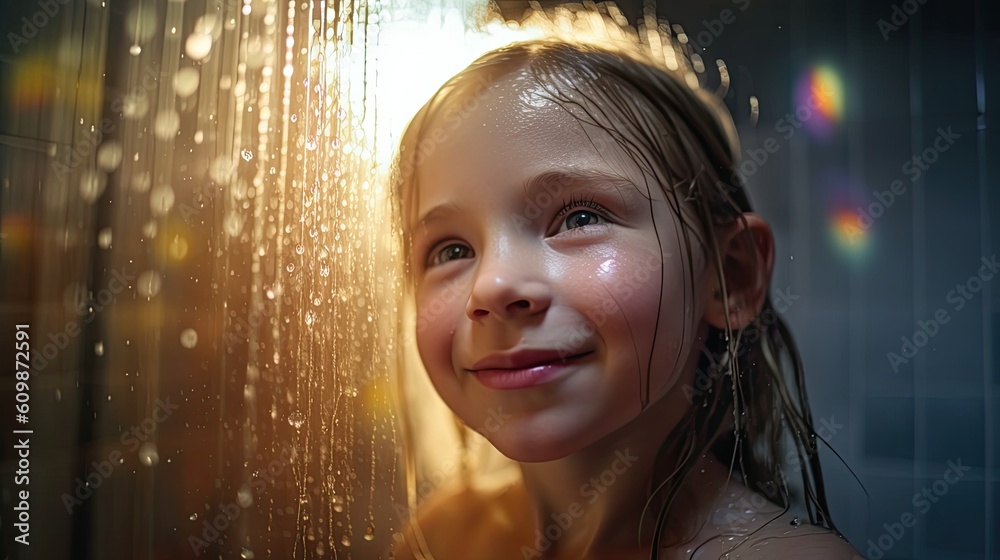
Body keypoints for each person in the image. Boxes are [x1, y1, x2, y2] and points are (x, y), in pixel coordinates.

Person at [384, 24, 861, 560]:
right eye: (451, 250)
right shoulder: (444, 534)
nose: (492, 286)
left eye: (579, 217)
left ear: (732, 276)